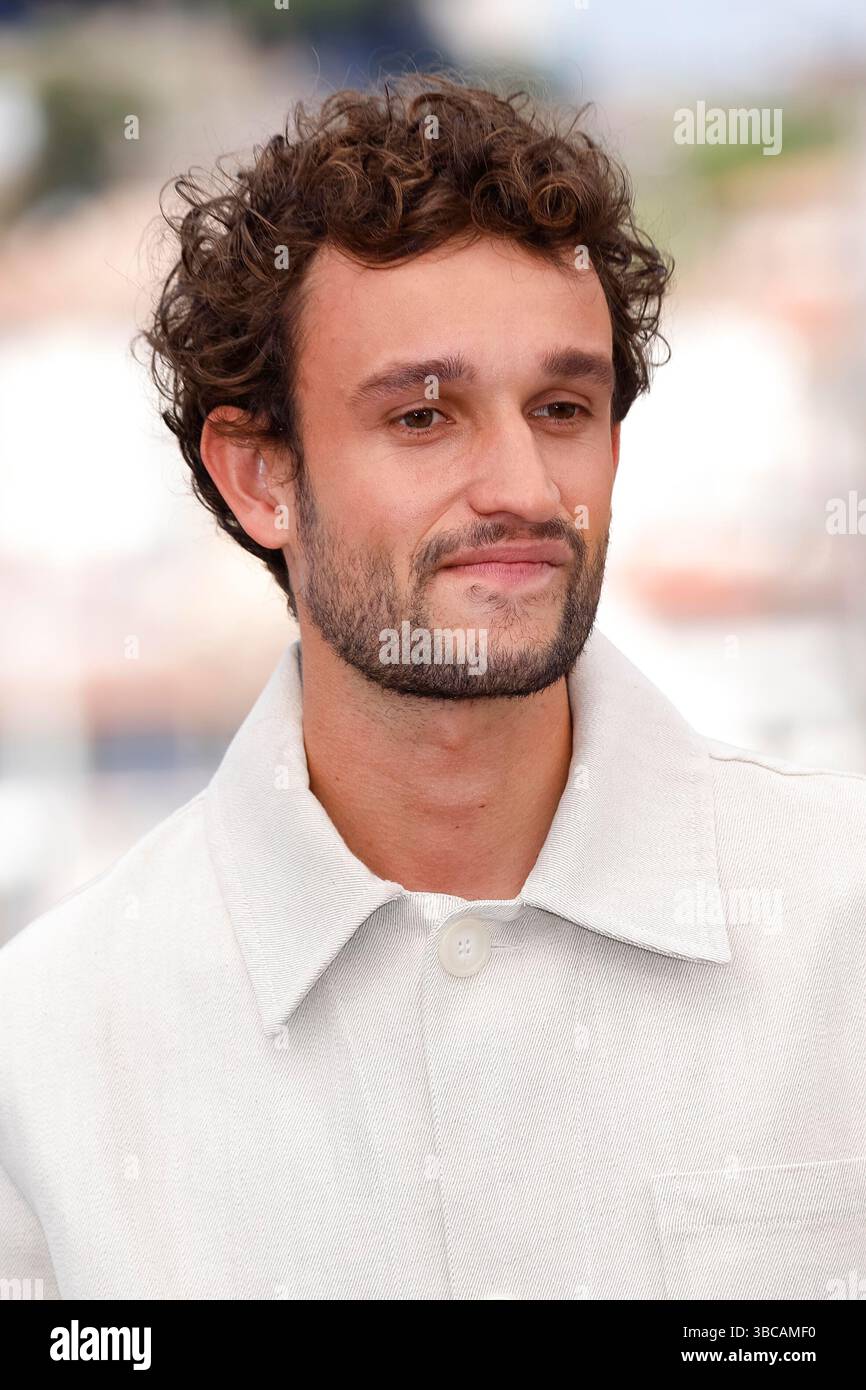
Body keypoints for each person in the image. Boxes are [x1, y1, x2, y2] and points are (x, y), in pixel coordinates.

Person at [1, 73, 864, 1302]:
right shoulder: (45, 1052)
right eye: (422, 415)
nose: (518, 482)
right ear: (259, 478)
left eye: (560, 407)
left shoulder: (843, 928)